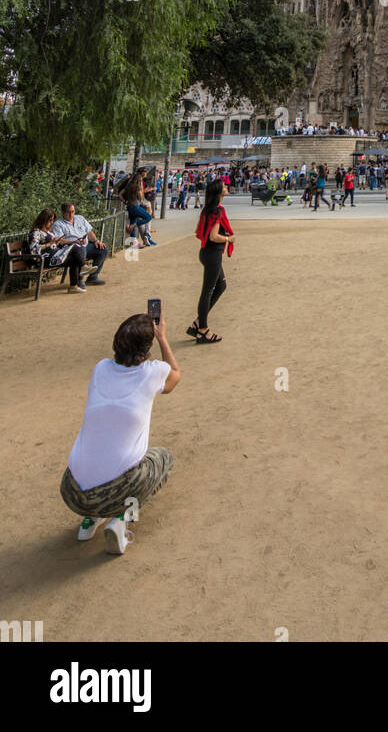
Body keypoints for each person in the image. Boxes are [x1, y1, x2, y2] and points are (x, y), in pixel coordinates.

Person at [60, 312, 180, 554]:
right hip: (115, 489)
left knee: (99, 456)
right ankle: (121, 519)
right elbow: (175, 375)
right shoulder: (151, 372)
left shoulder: (100, 368)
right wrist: (163, 338)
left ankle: (89, 519)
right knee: (163, 458)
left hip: (71, 491)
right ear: (146, 349)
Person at [188, 180, 234, 344]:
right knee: (207, 291)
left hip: (207, 252)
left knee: (221, 286)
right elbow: (214, 236)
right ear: (219, 192)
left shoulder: (208, 209)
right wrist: (228, 238)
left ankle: (199, 323)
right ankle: (202, 330)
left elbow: (198, 230)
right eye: (224, 186)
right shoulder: (218, 211)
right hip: (212, 254)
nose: (227, 187)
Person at [27, 208, 86, 294]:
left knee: (74, 256)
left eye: (52, 220)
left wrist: (56, 243)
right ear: (44, 220)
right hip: (43, 260)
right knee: (75, 248)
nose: (51, 223)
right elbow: (34, 249)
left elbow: (53, 246)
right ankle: (83, 266)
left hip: (53, 257)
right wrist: (49, 244)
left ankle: (74, 286)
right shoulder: (35, 233)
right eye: (50, 220)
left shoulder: (48, 232)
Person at [52, 202, 110, 284]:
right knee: (79, 249)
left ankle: (92, 278)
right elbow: (59, 240)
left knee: (103, 249)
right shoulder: (58, 224)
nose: (71, 214)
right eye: (68, 212)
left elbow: (89, 232)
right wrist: (74, 242)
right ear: (63, 212)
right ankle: (79, 281)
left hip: (85, 246)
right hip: (70, 249)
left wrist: (96, 240)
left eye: (73, 211)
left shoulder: (80, 218)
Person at [123, 172, 156, 247]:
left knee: (133, 221)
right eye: (141, 180)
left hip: (129, 206)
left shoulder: (128, 186)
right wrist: (142, 190)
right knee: (148, 217)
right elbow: (141, 197)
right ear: (138, 180)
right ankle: (133, 226)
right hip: (135, 206)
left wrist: (124, 201)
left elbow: (121, 194)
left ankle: (134, 243)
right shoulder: (137, 187)